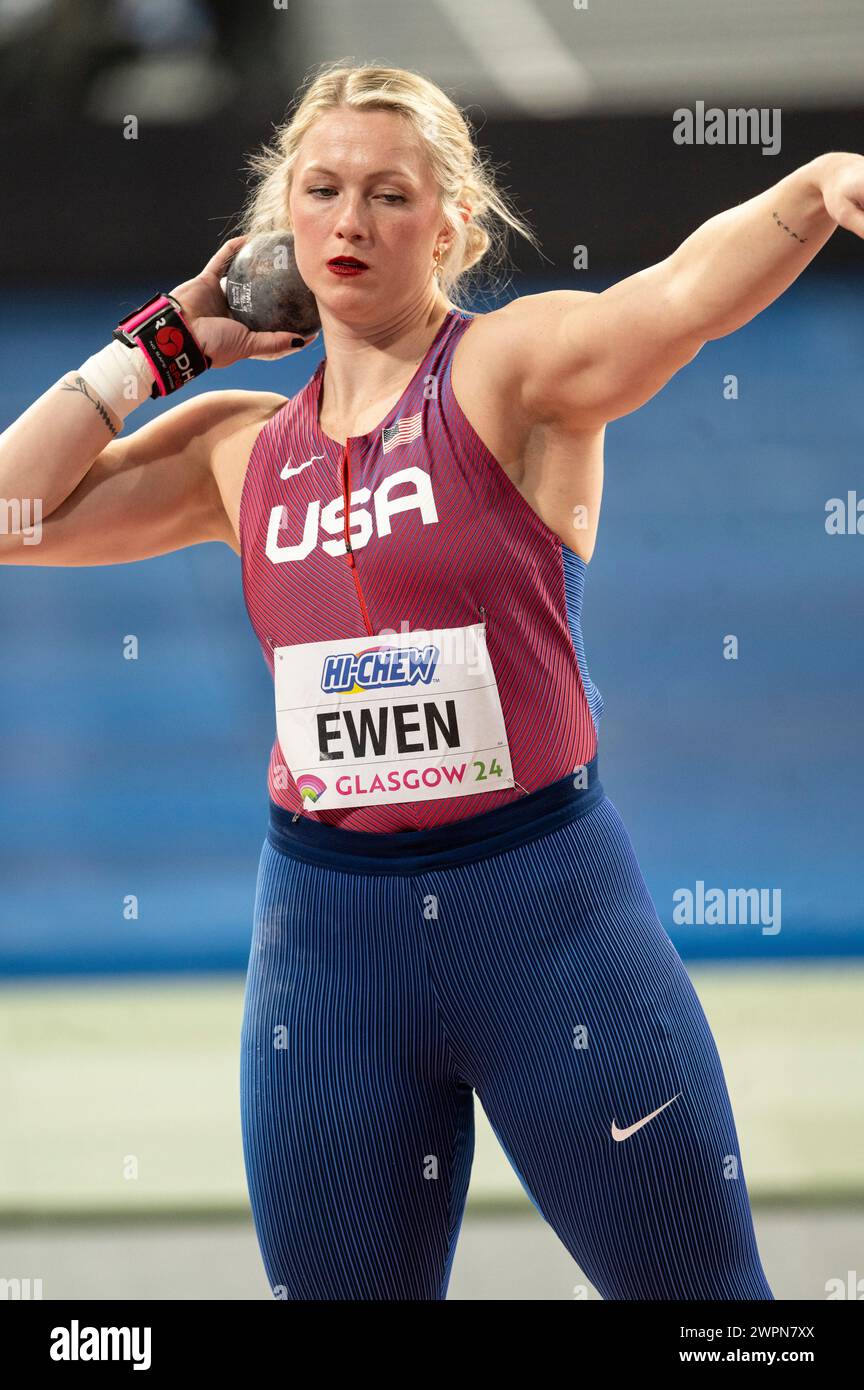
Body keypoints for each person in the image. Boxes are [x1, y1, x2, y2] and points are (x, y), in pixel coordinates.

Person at [4, 60, 861, 1301]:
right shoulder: (236, 450)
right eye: (324, 190)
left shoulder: (514, 375)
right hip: (326, 953)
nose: (351, 223)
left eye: (390, 196)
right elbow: (12, 508)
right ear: (278, 222)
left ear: (452, 223)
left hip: (549, 925)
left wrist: (823, 186)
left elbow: (680, 297)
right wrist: (165, 346)